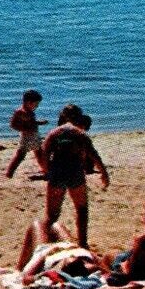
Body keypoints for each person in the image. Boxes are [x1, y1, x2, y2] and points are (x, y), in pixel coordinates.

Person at [42, 105, 110, 249]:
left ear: (63, 116)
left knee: (52, 215)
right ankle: (83, 243)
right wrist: (103, 172)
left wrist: (48, 171)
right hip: (75, 172)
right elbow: (93, 154)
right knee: (81, 210)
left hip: (57, 173)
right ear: (79, 116)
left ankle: (44, 243)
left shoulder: (54, 133)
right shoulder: (80, 134)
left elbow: (44, 155)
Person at [5, 89, 48, 179]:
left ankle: (46, 171)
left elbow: (32, 122)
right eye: (36, 104)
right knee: (20, 155)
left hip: (34, 135)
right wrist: (24, 130)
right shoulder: (20, 112)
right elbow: (13, 125)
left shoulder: (30, 112)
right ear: (28, 102)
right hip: (27, 137)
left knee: (40, 154)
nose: (37, 106)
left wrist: (40, 123)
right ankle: (9, 173)